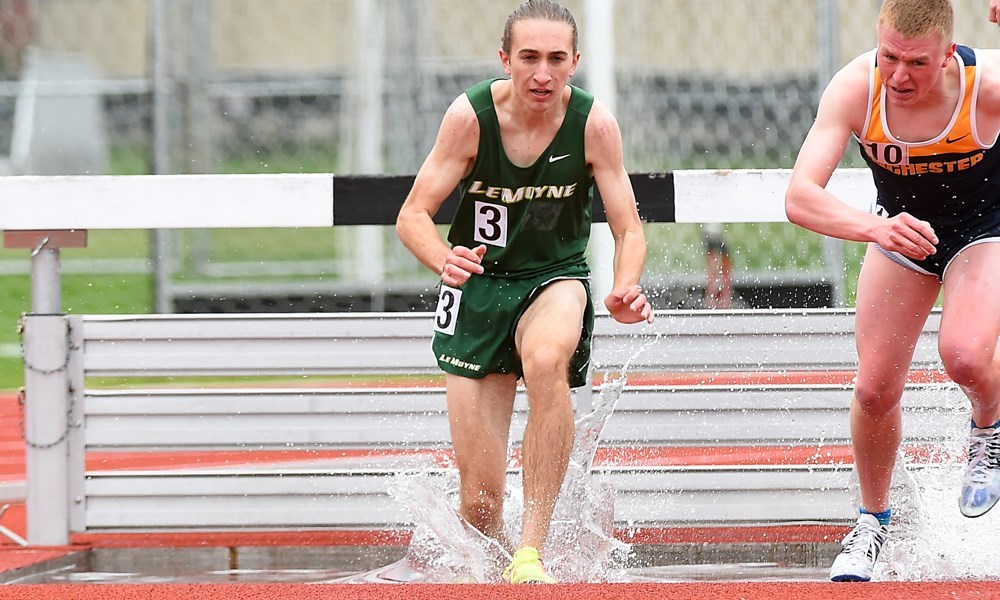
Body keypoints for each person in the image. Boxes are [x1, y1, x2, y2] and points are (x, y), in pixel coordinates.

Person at [395, 0, 652, 585]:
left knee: (545, 359)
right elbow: (412, 214)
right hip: (480, 290)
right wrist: (444, 257)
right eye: (529, 58)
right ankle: (505, 559)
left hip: (554, 277)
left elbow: (628, 225)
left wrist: (625, 283)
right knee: (478, 505)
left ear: (574, 62)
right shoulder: (469, 118)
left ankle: (532, 551)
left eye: (556, 60)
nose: (542, 74)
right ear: (504, 59)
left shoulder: (593, 124)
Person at [786, 0, 1000, 583]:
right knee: (874, 388)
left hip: (985, 230)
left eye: (917, 63)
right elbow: (800, 196)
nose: (900, 76)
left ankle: (989, 423)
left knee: (962, 354)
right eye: (889, 58)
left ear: (949, 55)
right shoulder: (858, 88)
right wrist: (877, 227)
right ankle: (872, 522)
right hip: (899, 232)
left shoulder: (986, 86)